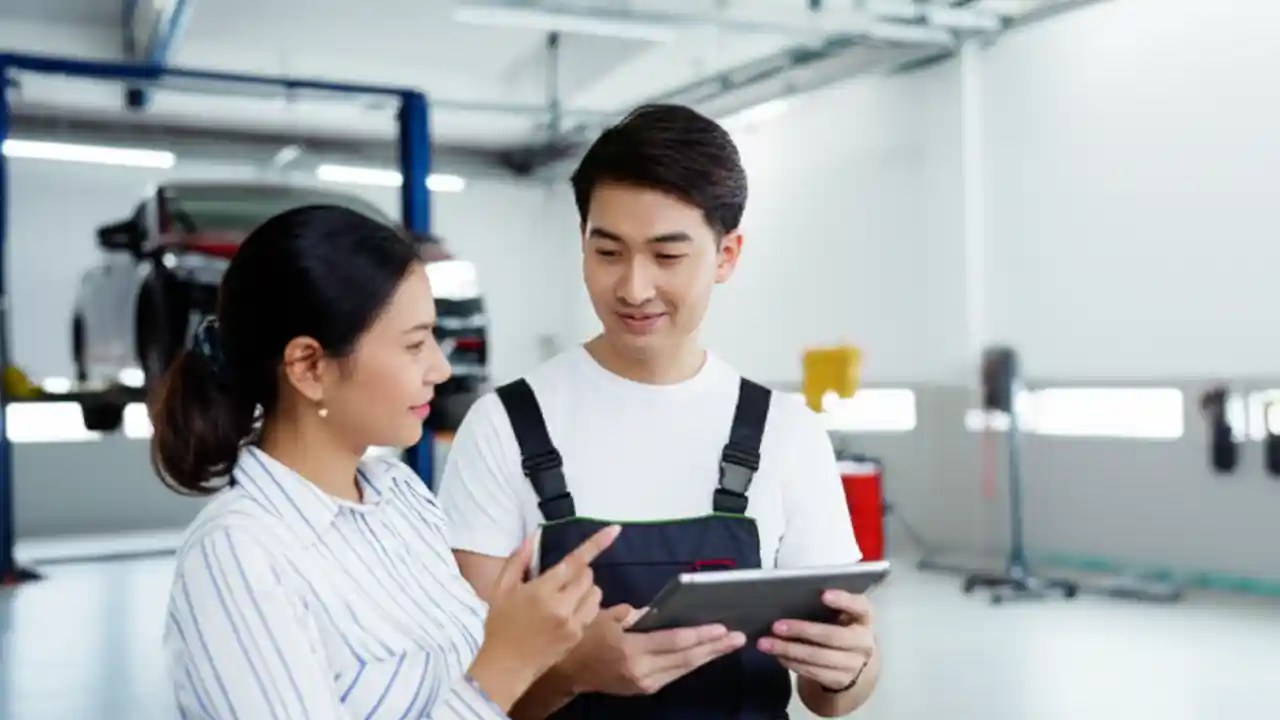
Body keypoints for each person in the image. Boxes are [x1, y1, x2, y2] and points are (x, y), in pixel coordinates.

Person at [439, 104, 881, 719]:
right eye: (609, 252)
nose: (633, 288)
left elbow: (831, 697)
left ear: (727, 255)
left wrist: (852, 667)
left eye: (667, 256)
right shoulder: (503, 427)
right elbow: (467, 692)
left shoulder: (788, 432)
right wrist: (573, 673)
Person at [150, 205, 619, 719]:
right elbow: (484, 689)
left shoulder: (401, 498)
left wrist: (562, 666)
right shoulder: (239, 555)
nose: (439, 369)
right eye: (415, 345)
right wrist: (503, 665)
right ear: (309, 367)